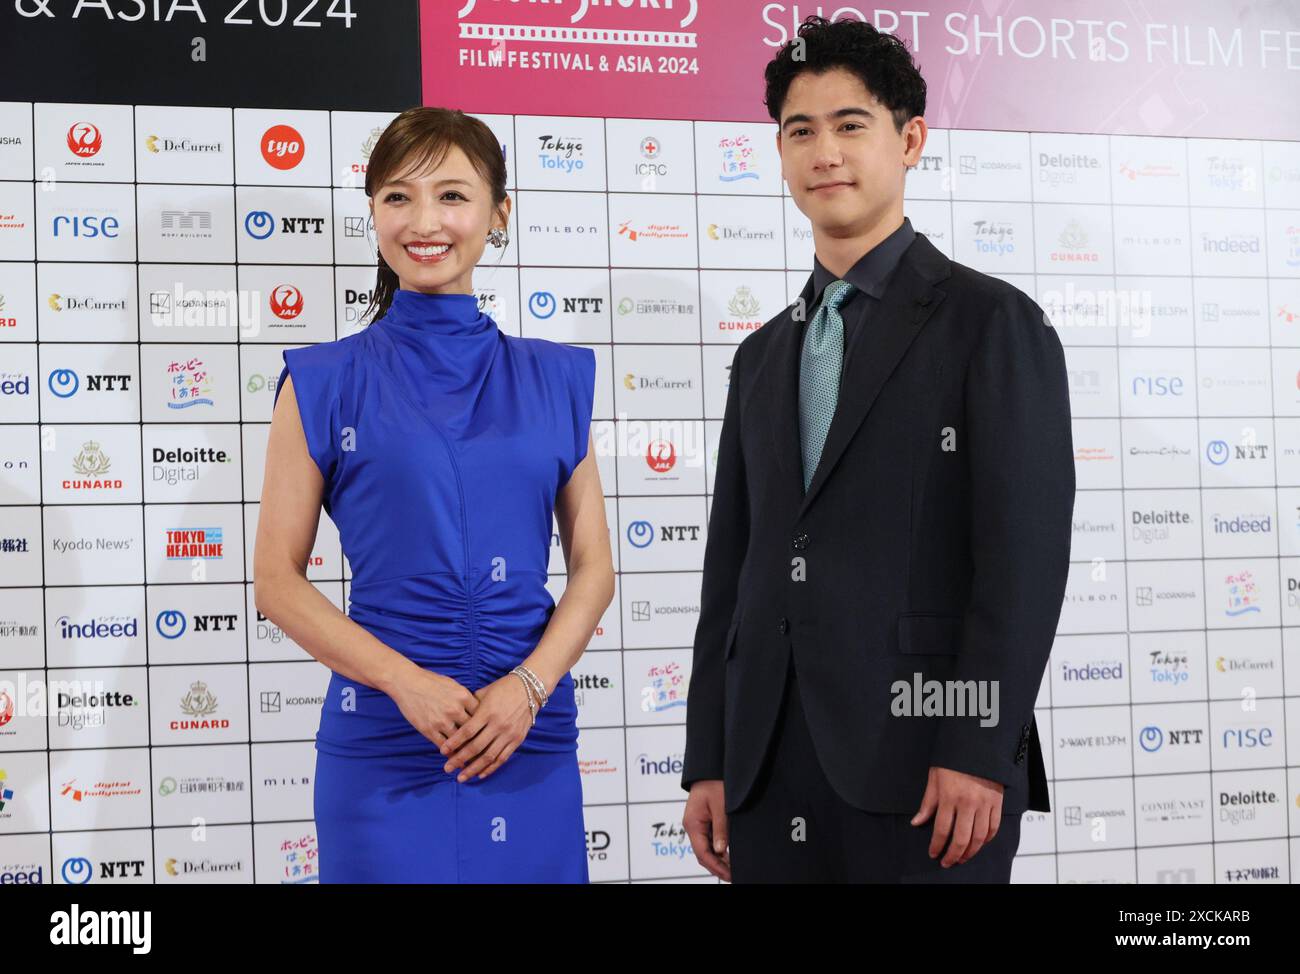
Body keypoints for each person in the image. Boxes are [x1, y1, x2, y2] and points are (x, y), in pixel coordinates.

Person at [680, 17, 1075, 883]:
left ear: (911, 139)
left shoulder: (992, 323)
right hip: (766, 765)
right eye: (800, 130)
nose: (825, 151)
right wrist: (708, 756)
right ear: (778, 154)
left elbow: (1024, 560)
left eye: (850, 125)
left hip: (928, 768)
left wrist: (978, 744)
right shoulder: (761, 356)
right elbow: (732, 571)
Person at [253, 107, 614, 883]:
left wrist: (528, 688)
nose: (424, 222)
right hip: (385, 741)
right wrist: (405, 684)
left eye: (452, 196)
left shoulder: (556, 378)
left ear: (499, 213)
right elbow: (276, 582)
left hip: (528, 736)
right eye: (397, 197)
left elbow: (594, 568)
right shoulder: (322, 380)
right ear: (374, 211)